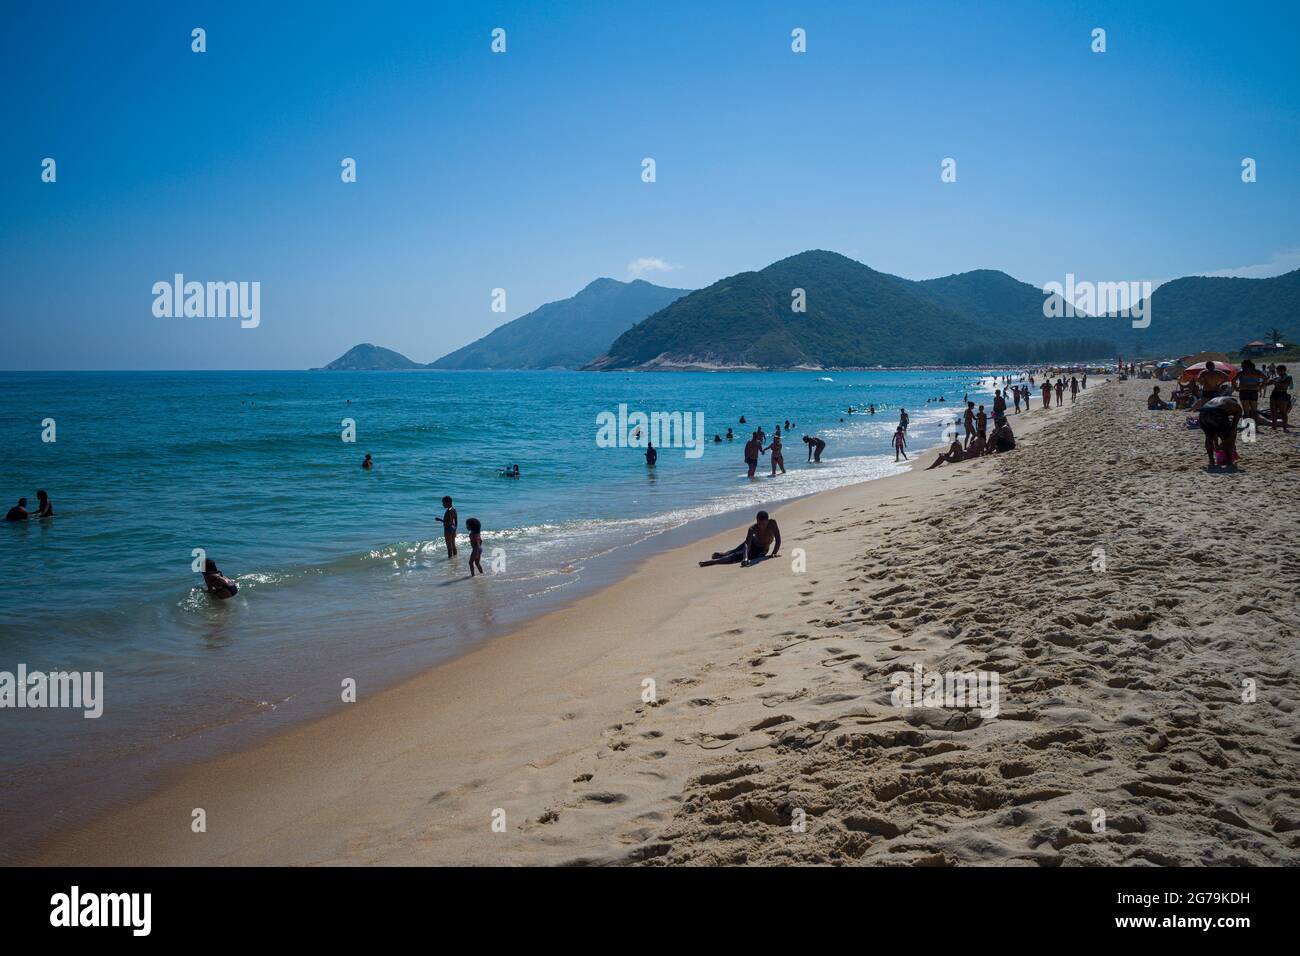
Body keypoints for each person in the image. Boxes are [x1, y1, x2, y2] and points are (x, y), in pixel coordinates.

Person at [698, 510, 781, 567]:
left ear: (767, 520)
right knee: (734, 551)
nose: (761, 526)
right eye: (759, 524)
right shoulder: (752, 528)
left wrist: (774, 553)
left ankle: (712, 562)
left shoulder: (772, 523)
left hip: (761, 549)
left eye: (763, 524)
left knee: (735, 556)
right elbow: (747, 544)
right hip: (752, 542)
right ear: (756, 521)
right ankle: (723, 555)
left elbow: (778, 539)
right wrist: (745, 557)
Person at [1199, 393, 1243, 468]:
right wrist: (1231, 444)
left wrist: (1216, 444)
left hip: (1203, 412)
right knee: (1225, 438)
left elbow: (1214, 430)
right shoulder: (1237, 407)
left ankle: (1211, 460)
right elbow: (1233, 428)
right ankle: (1229, 461)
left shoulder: (1217, 400)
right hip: (1218, 412)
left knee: (1209, 437)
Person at [1235, 359, 1265, 423]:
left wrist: (1236, 388)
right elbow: (1266, 378)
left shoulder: (1242, 372)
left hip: (1244, 391)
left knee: (1246, 411)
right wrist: (1260, 387)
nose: (1241, 366)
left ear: (1245, 365)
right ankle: (1255, 426)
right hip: (1254, 391)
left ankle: (1247, 427)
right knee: (1254, 411)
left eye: (1242, 365)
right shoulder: (1257, 372)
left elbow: (1233, 380)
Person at [1268, 364, 1292, 431]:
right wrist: (1267, 381)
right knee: (1273, 412)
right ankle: (1274, 427)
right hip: (1274, 394)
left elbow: (1285, 385)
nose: (1277, 372)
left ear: (1283, 370)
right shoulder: (1277, 377)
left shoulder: (1288, 377)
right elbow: (1268, 383)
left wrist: (1275, 382)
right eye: (1277, 371)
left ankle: (1285, 428)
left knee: (1283, 413)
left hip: (1282, 395)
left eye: (1278, 371)